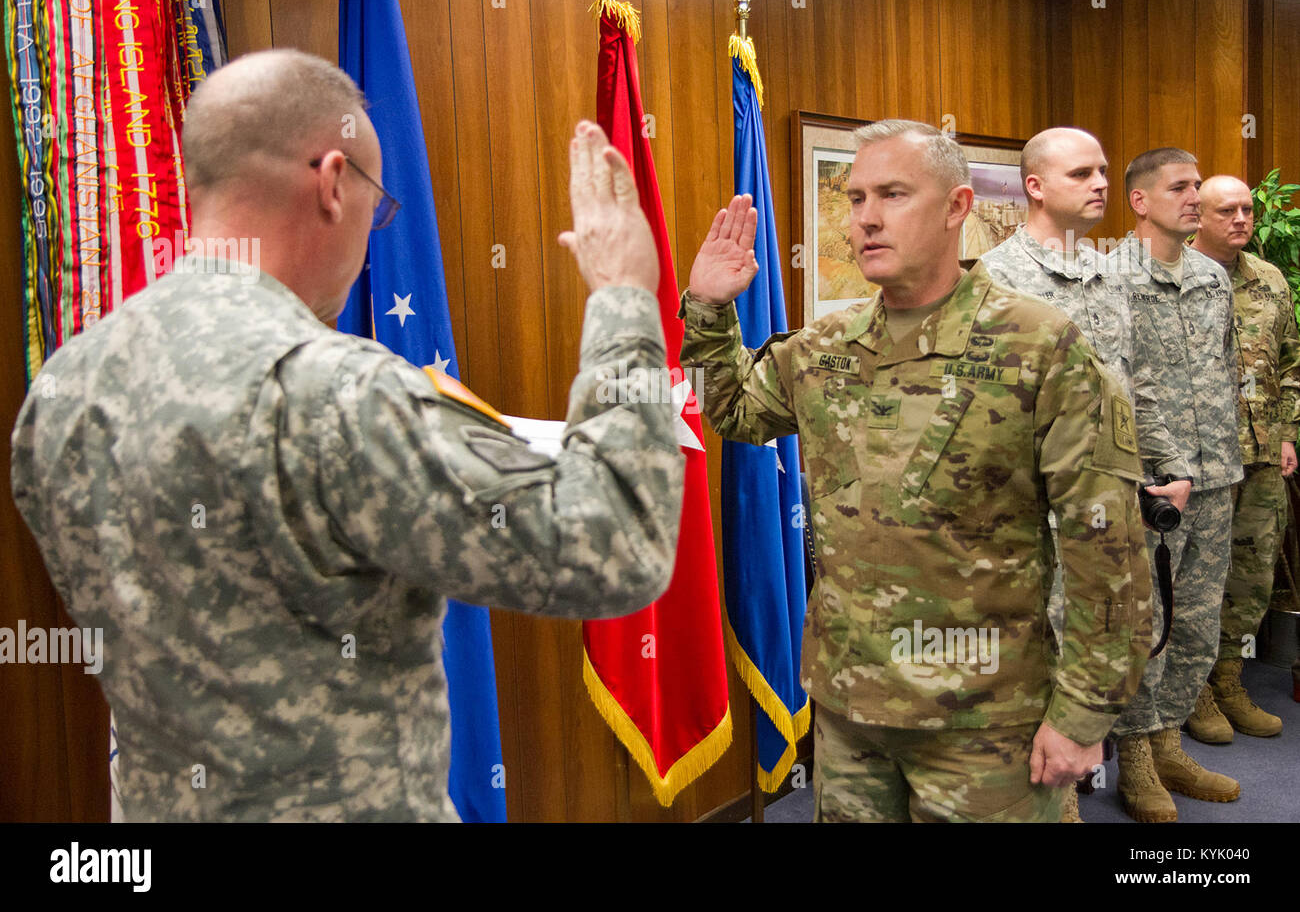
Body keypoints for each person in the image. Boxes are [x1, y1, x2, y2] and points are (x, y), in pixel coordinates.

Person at [10, 49, 685, 821]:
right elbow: (621, 546)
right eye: (378, 203)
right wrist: (626, 301)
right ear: (334, 184)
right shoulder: (334, 392)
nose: (374, 232)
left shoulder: (64, 389)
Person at [680, 119, 1152, 822]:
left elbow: (1105, 547)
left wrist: (1084, 712)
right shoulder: (827, 347)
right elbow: (738, 413)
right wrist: (710, 309)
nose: (866, 217)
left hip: (984, 722)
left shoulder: (1041, 348)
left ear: (958, 207)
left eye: (893, 194)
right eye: (856, 197)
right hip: (849, 710)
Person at [978, 127, 1191, 822]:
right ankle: (1057, 792)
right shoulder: (992, 278)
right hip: (1042, 507)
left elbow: (1141, 382)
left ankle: (1140, 763)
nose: (1101, 183)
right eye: (1082, 173)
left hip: (1123, 495)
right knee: (1054, 640)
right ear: (1036, 186)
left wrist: (1171, 465)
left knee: (1134, 624)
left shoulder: (1117, 274)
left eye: (1103, 171)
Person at [1106, 149, 1244, 822]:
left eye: (1197, 186)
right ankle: (1133, 755)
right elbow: (1114, 385)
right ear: (1139, 200)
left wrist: (1228, 457)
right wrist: (1158, 466)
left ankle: (1169, 741)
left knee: (1195, 619)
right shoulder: (1109, 279)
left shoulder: (1212, 279)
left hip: (1216, 474)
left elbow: (1224, 373)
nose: (1195, 196)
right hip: (1149, 486)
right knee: (1146, 623)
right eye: (1180, 187)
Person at [1186, 174, 1299, 741]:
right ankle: (1193, 690)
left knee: (1251, 574)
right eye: (1226, 210)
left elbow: (1292, 361)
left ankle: (1230, 680)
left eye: (1248, 209)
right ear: (1196, 215)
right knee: (1199, 576)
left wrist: (1287, 431)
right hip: (1201, 458)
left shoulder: (1271, 279)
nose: (1241, 219)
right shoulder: (1173, 277)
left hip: (1262, 455)